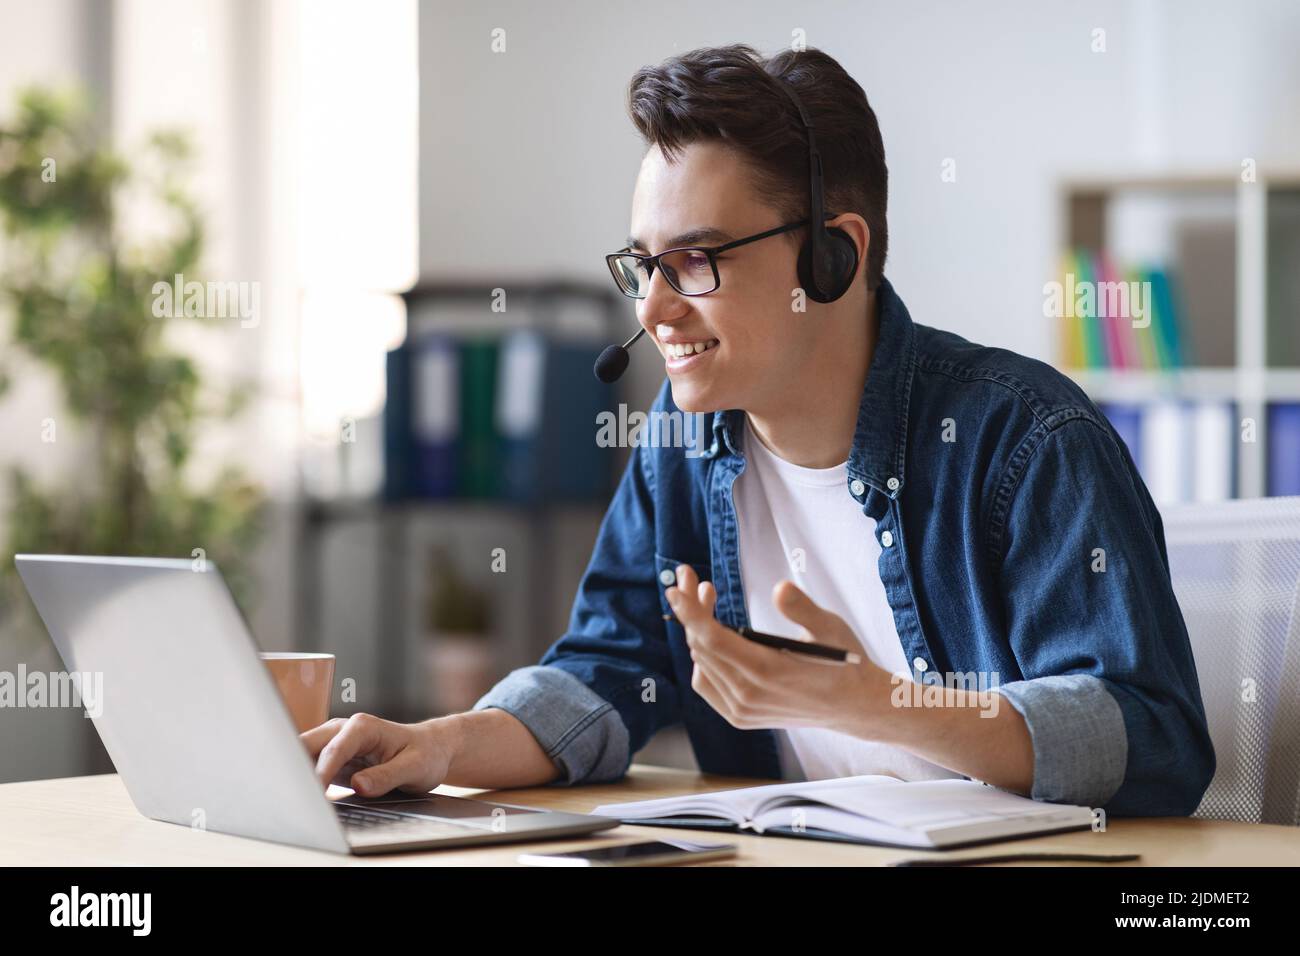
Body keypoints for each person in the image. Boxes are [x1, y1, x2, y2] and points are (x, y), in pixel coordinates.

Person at [303, 44, 1214, 816]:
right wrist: (434, 746)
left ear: (833, 255)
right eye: (641, 265)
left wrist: (885, 705)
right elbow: (605, 672)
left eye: (694, 260)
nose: (655, 307)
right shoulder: (683, 440)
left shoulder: (1025, 440)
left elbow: (1154, 739)